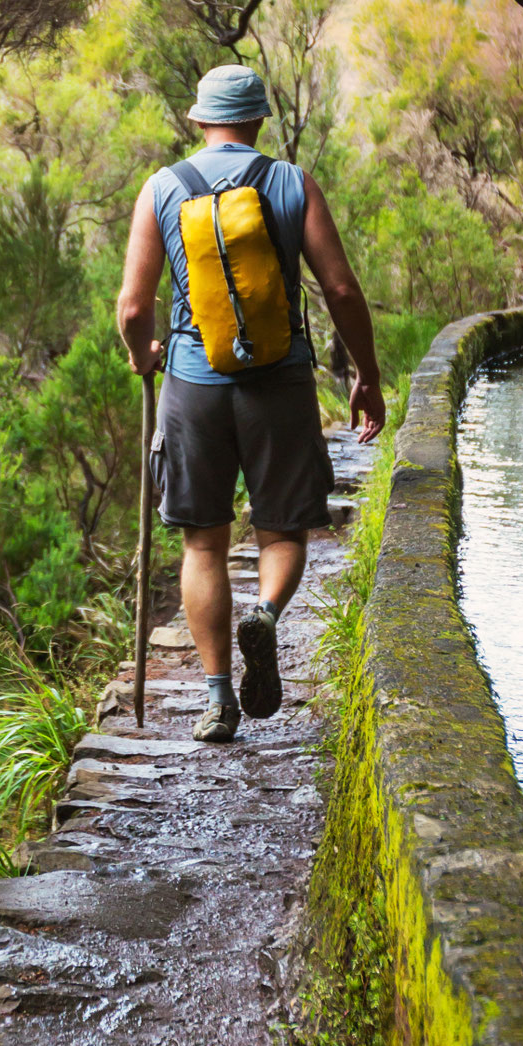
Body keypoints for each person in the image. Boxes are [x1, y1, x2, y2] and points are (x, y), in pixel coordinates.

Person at [115, 62, 386, 743]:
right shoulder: (292, 183)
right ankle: (263, 615)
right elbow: (342, 290)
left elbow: (133, 308)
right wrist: (366, 375)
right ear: (260, 118)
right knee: (283, 530)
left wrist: (142, 354)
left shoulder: (163, 187)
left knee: (203, 542)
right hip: (279, 381)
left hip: (192, 385)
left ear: (200, 119)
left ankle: (218, 701)